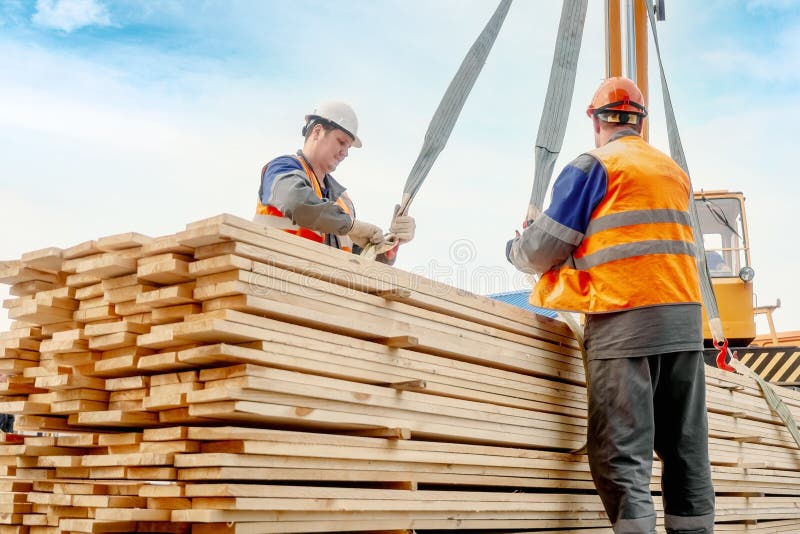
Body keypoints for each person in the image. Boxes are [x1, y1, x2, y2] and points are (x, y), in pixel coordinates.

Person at [506, 77, 714, 533]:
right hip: (683, 323)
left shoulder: (594, 166)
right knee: (686, 450)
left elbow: (543, 249)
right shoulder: (671, 172)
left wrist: (515, 248)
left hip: (624, 320)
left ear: (596, 122)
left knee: (621, 455)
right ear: (640, 122)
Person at [255, 100, 415, 264]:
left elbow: (360, 262)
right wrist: (351, 226)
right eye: (341, 142)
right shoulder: (282, 168)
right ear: (317, 132)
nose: (345, 153)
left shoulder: (343, 201)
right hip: (272, 277)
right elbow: (297, 203)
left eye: (349, 147)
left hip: (317, 287)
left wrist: (390, 245)